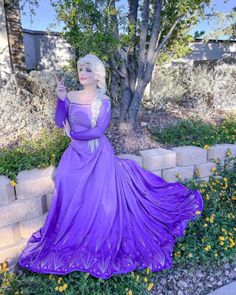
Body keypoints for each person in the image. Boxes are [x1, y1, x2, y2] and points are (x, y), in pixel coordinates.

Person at [18, 53, 203, 280]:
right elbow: (59, 122)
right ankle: (69, 229)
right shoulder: (71, 95)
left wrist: (73, 134)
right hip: (74, 155)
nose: (82, 73)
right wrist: (60, 99)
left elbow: (98, 131)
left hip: (98, 155)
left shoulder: (103, 100)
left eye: (87, 69)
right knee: (64, 179)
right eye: (80, 69)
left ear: (98, 74)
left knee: (100, 197)